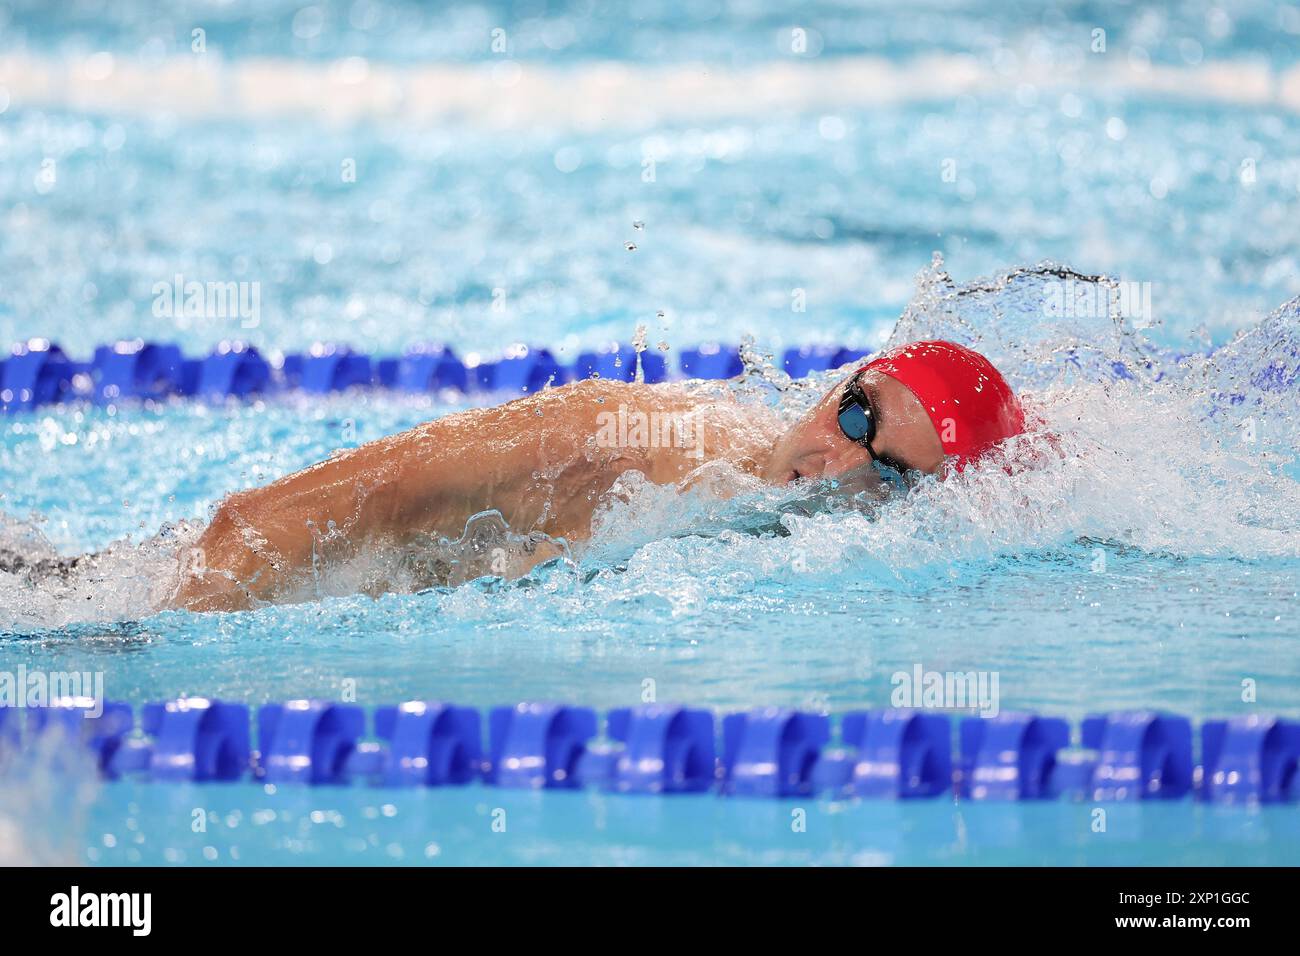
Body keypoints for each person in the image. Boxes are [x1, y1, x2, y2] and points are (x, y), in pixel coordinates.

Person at [167, 340, 1025, 612]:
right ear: (836, 385)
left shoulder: (776, 545)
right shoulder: (624, 441)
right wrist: (133, 655)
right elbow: (249, 527)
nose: (833, 467)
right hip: (137, 600)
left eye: (890, 474)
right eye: (854, 417)